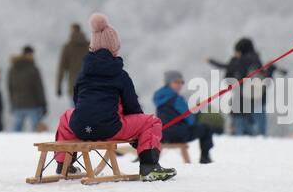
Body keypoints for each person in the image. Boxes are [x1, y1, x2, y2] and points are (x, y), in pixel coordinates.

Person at [54, 13, 175, 181]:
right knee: (152, 122)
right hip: (110, 128)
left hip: (80, 126)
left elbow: (77, 100)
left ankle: (63, 164)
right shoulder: (120, 75)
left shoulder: (83, 74)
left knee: (65, 117)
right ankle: (149, 166)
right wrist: (138, 134)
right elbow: (132, 107)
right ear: (115, 47)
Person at [154, 70, 215, 163]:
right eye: (176, 82)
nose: (179, 85)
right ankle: (205, 158)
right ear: (168, 83)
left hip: (163, 135)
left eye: (181, 82)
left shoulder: (159, 98)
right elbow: (190, 121)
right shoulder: (176, 99)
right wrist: (196, 113)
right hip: (178, 135)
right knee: (206, 128)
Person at [207, 38, 264, 136]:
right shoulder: (257, 60)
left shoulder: (238, 61)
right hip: (258, 100)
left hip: (240, 102)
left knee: (239, 129)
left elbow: (226, 69)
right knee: (258, 132)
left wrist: (211, 61)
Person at [7, 46, 47, 132]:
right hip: (32, 104)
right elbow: (39, 88)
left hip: (17, 104)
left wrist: (12, 103)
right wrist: (43, 104)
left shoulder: (13, 69)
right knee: (37, 131)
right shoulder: (33, 69)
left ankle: (12, 145)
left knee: (16, 131)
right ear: (30, 54)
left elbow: (10, 88)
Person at [55, 23, 89, 105]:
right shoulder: (90, 46)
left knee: (75, 113)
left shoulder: (67, 47)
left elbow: (61, 68)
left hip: (74, 86)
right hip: (90, 86)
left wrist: (58, 87)